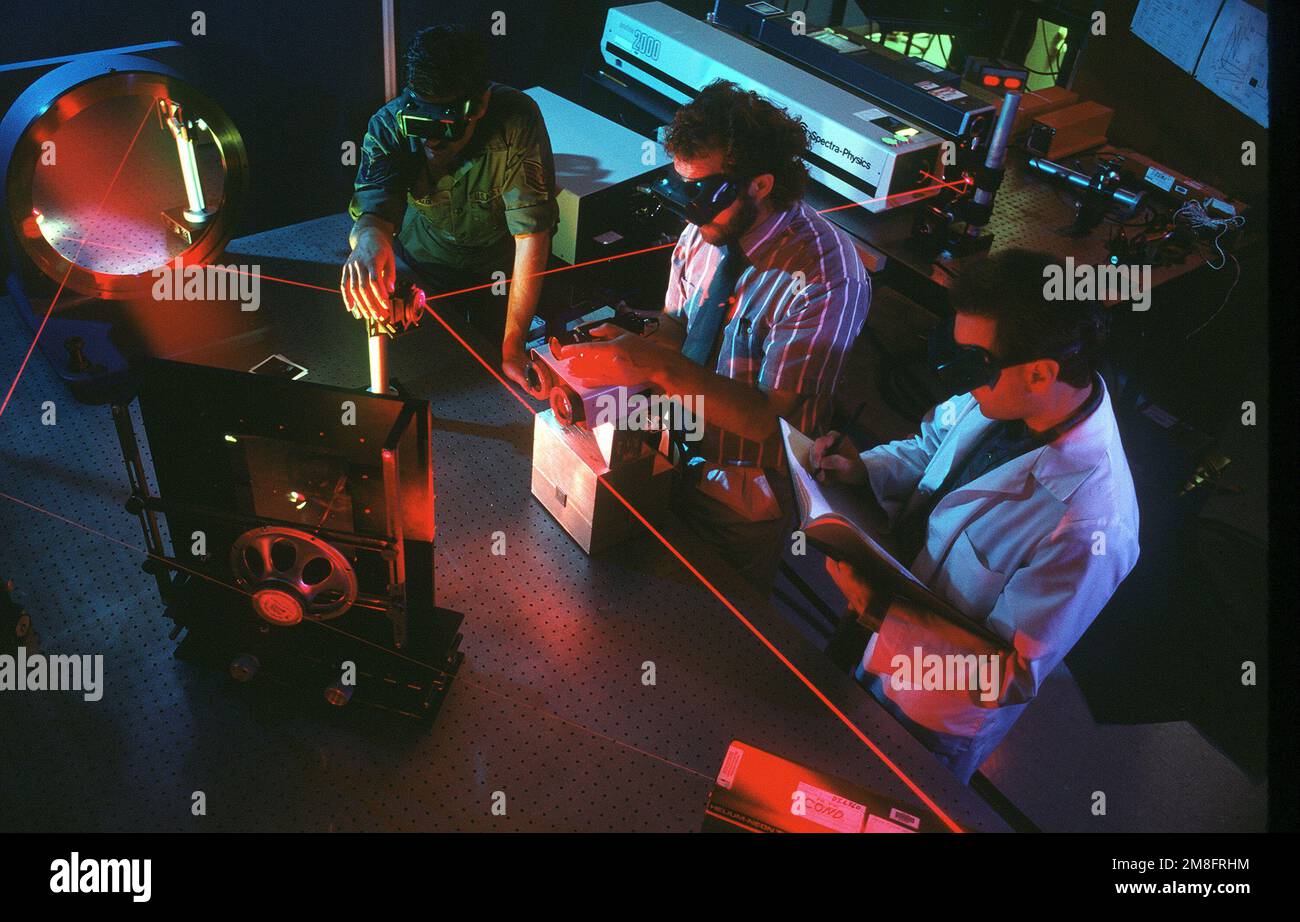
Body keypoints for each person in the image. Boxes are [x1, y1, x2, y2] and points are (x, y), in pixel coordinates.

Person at [811, 248, 1140, 782]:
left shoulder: (1090, 523)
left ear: (1040, 373)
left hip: (924, 713)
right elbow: (930, 446)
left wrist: (882, 613)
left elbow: (1009, 672)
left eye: (974, 363)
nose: (960, 381)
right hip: (866, 634)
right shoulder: (997, 395)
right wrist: (862, 468)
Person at [564, 80, 871, 589]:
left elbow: (768, 419)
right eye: (683, 188)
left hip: (743, 487)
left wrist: (653, 364)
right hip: (672, 438)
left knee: (704, 622)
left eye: (704, 192)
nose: (691, 210)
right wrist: (630, 334)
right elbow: (680, 327)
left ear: (760, 184)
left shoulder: (824, 278)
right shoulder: (705, 232)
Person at [341, 24, 558, 388]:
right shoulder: (387, 126)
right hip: (421, 268)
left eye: (445, 128)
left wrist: (513, 348)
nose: (430, 141)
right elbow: (374, 213)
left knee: (489, 379)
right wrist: (368, 241)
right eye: (420, 124)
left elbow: (532, 235)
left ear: (480, 105)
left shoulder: (517, 120)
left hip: (498, 275)